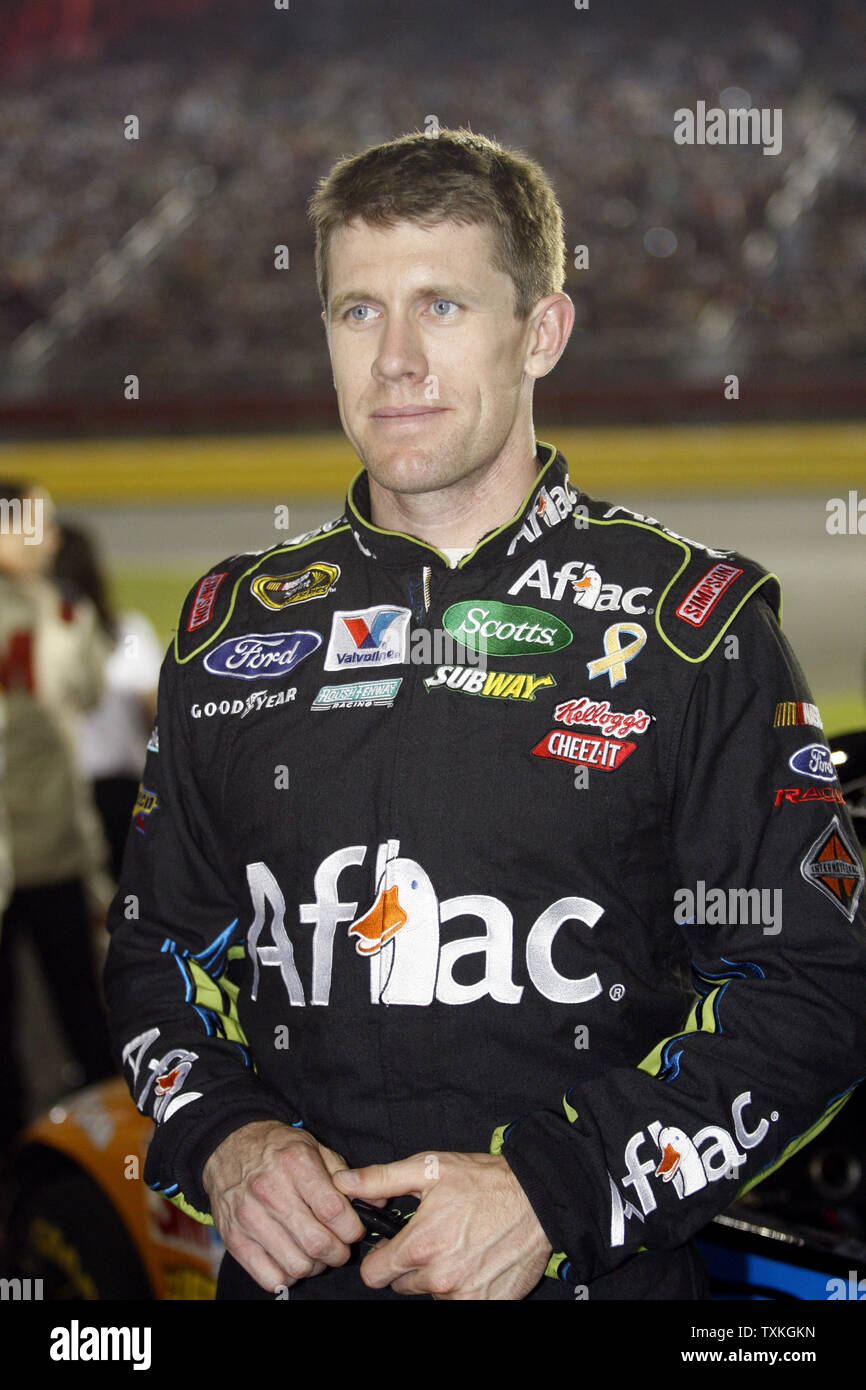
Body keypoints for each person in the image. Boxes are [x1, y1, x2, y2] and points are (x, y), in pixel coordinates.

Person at [104, 128, 866, 1301]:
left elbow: (817, 986)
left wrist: (557, 1191)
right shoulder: (228, 628)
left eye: (443, 305)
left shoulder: (690, 630)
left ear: (541, 333)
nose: (394, 358)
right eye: (357, 311)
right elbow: (157, 954)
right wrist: (226, 1139)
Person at [0, 482, 114, 1153]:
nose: (49, 538)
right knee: (79, 1012)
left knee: (60, 1012)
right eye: (31, 525)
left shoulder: (61, 608)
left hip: (46, 845)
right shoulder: (64, 612)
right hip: (48, 844)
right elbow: (88, 687)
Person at [53, 523, 162, 882]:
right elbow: (158, 721)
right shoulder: (129, 632)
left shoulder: (38, 638)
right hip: (120, 791)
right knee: (125, 891)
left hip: (59, 791)